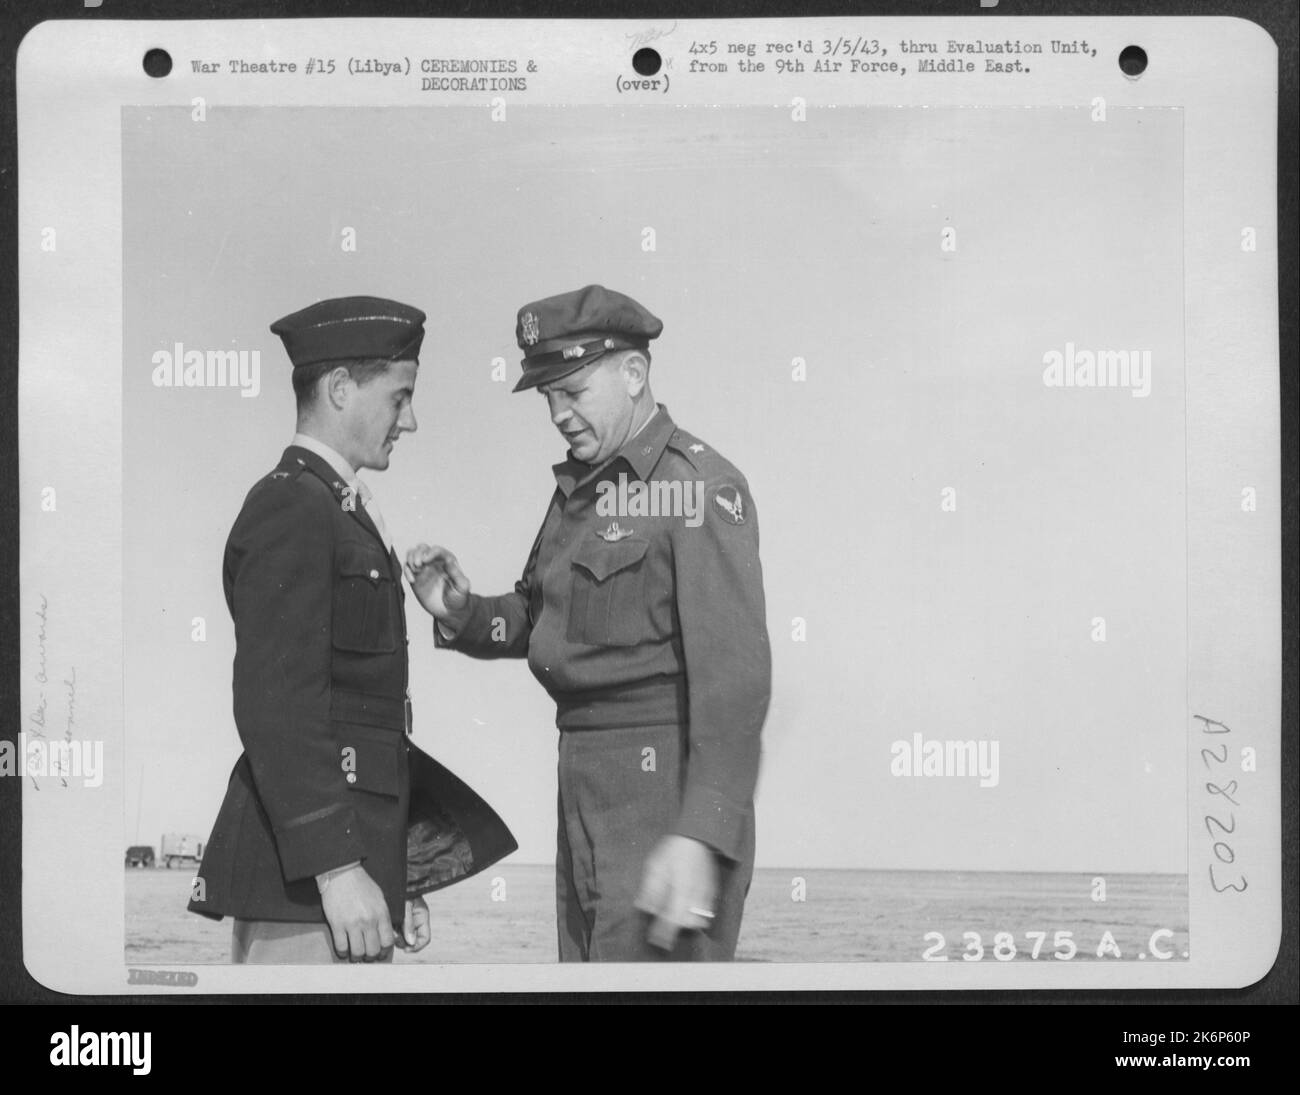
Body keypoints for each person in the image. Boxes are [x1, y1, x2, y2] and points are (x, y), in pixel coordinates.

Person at [406, 284, 771, 961]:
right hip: (580, 785)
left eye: (572, 391)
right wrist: (461, 610)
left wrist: (701, 835)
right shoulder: (581, 489)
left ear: (633, 374)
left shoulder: (699, 487)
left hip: (662, 795)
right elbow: (540, 615)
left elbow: (736, 687)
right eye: (547, 396)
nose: (558, 414)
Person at [188, 295, 516, 963]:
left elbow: (359, 720)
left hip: (345, 874)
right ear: (341, 389)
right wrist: (338, 870)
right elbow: (276, 703)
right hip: (307, 887)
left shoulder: (336, 508)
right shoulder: (293, 505)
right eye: (400, 397)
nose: (412, 419)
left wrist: (395, 872)